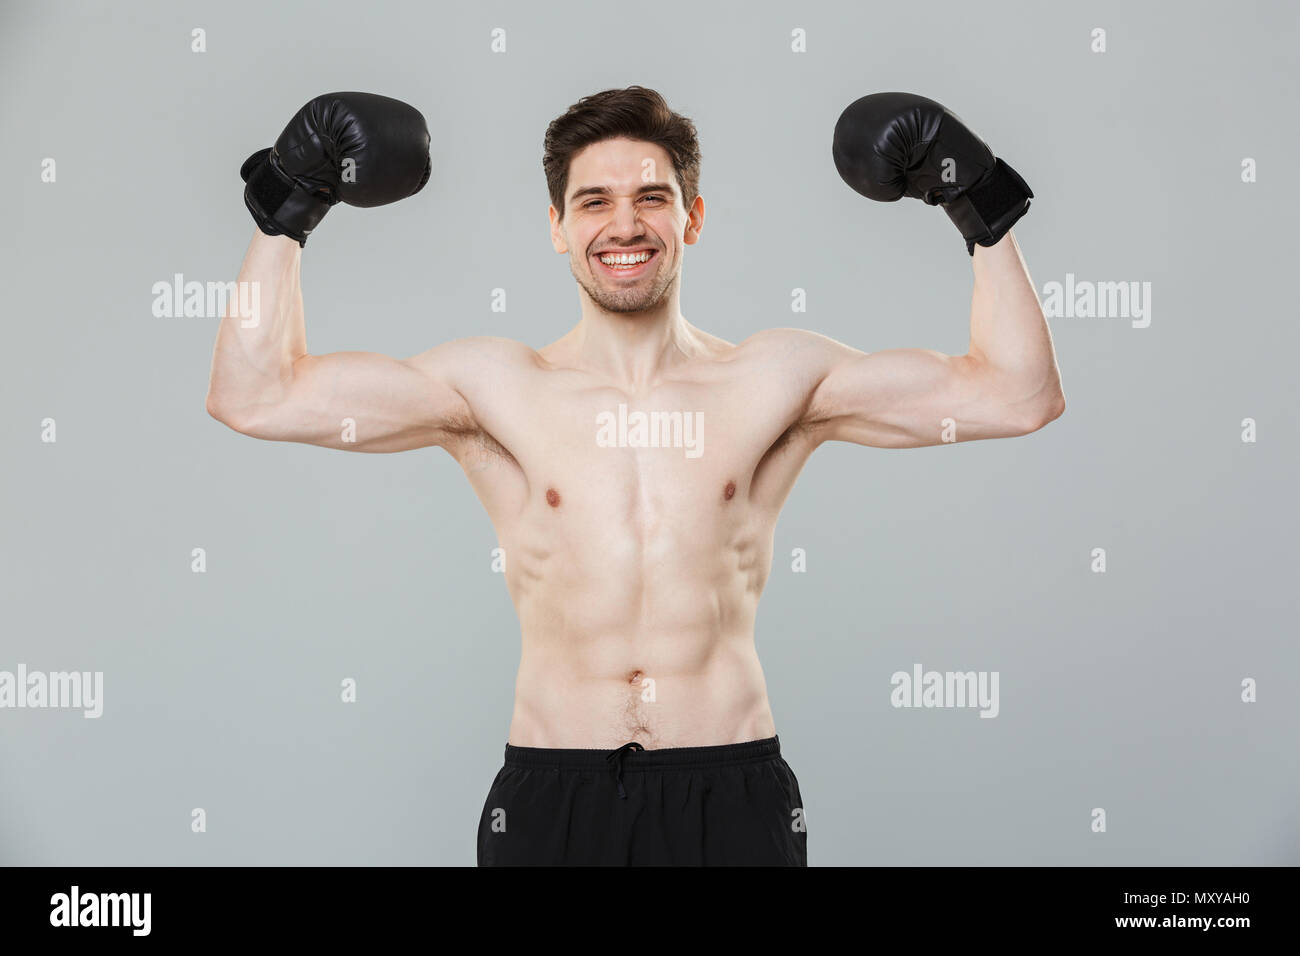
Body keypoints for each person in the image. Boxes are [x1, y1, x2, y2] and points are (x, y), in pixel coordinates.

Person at [207, 86, 1064, 866]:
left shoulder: (773, 380)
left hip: (730, 795)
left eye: (651, 197)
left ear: (691, 217)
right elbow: (256, 394)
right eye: (594, 202)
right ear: (557, 226)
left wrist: (974, 195)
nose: (624, 226)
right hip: (551, 800)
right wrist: (289, 205)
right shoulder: (496, 388)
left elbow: (1016, 393)